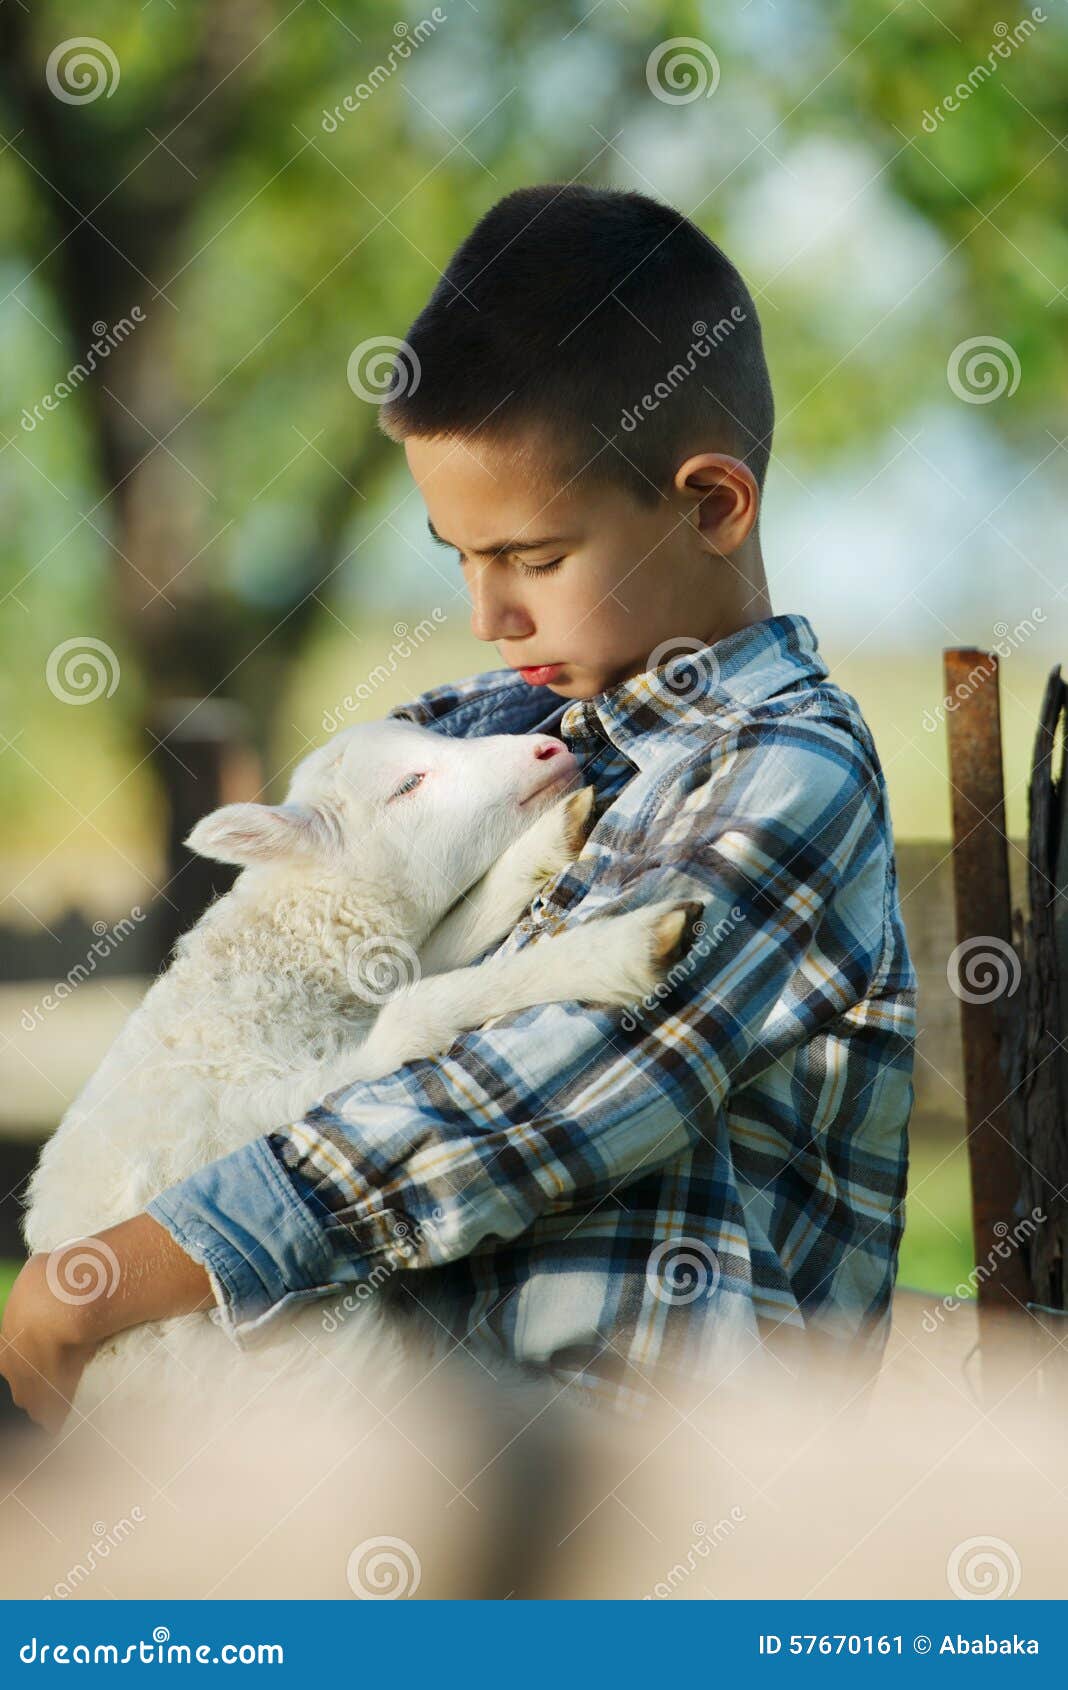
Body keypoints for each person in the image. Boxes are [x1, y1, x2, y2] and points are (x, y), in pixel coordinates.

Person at [0, 184, 917, 1432]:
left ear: (710, 505)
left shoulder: (787, 772)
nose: (491, 615)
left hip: (663, 1494)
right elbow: (323, 892)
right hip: (426, 1471)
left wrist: (113, 1277)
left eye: (534, 560)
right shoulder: (492, 718)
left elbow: (538, 1098)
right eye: (459, 557)